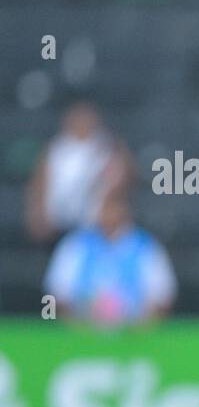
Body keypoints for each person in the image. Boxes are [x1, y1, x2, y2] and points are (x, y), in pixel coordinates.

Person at [43, 193, 177, 326]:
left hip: (134, 334)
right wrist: (77, 325)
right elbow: (57, 293)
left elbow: (162, 297)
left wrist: (142, 327)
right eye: (105, 208)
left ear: (125, 211)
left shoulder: (145, 247)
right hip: (83, 331)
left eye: (115, 208)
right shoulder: (76, 245)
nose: (109, 214)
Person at [26, 103, 133, 244]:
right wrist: (38, 211)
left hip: (94, 225)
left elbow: (120, 180)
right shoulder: (55, 149)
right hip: (57, 223)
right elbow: (39, 184)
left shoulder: (108, 148)